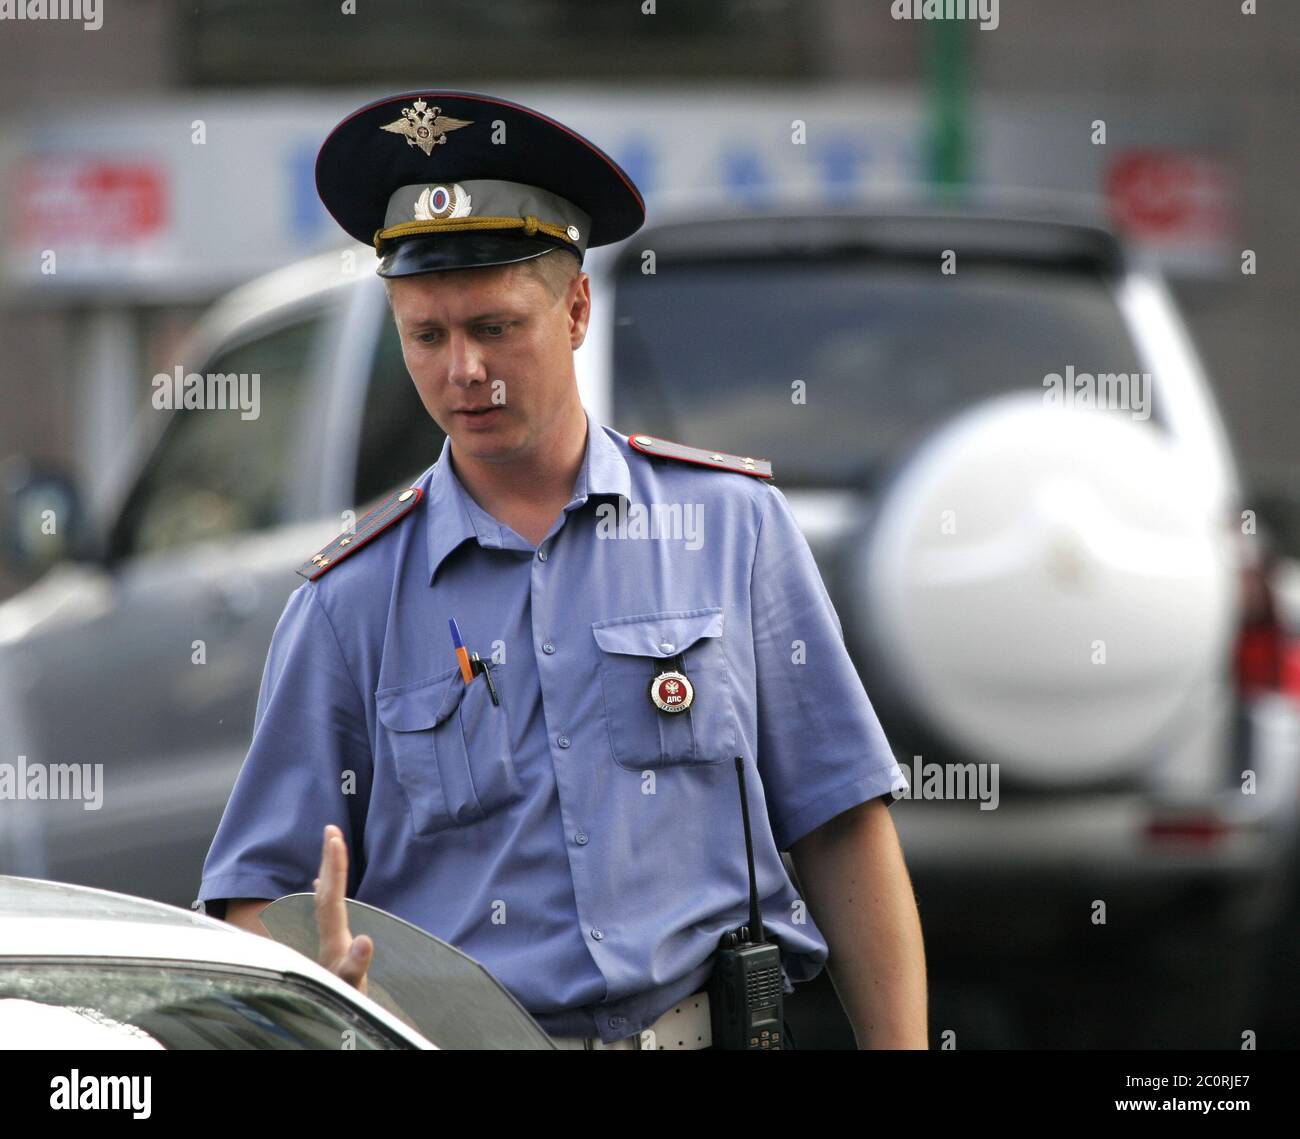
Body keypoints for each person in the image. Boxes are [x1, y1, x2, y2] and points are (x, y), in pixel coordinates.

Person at [197, 90, 927, 1050]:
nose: (463, 369)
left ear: (576, 308)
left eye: (495, 327)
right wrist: (311, 989)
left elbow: (842, 825)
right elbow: (249, 903)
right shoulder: (349, 603)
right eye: (427, 334)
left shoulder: (730, 530)